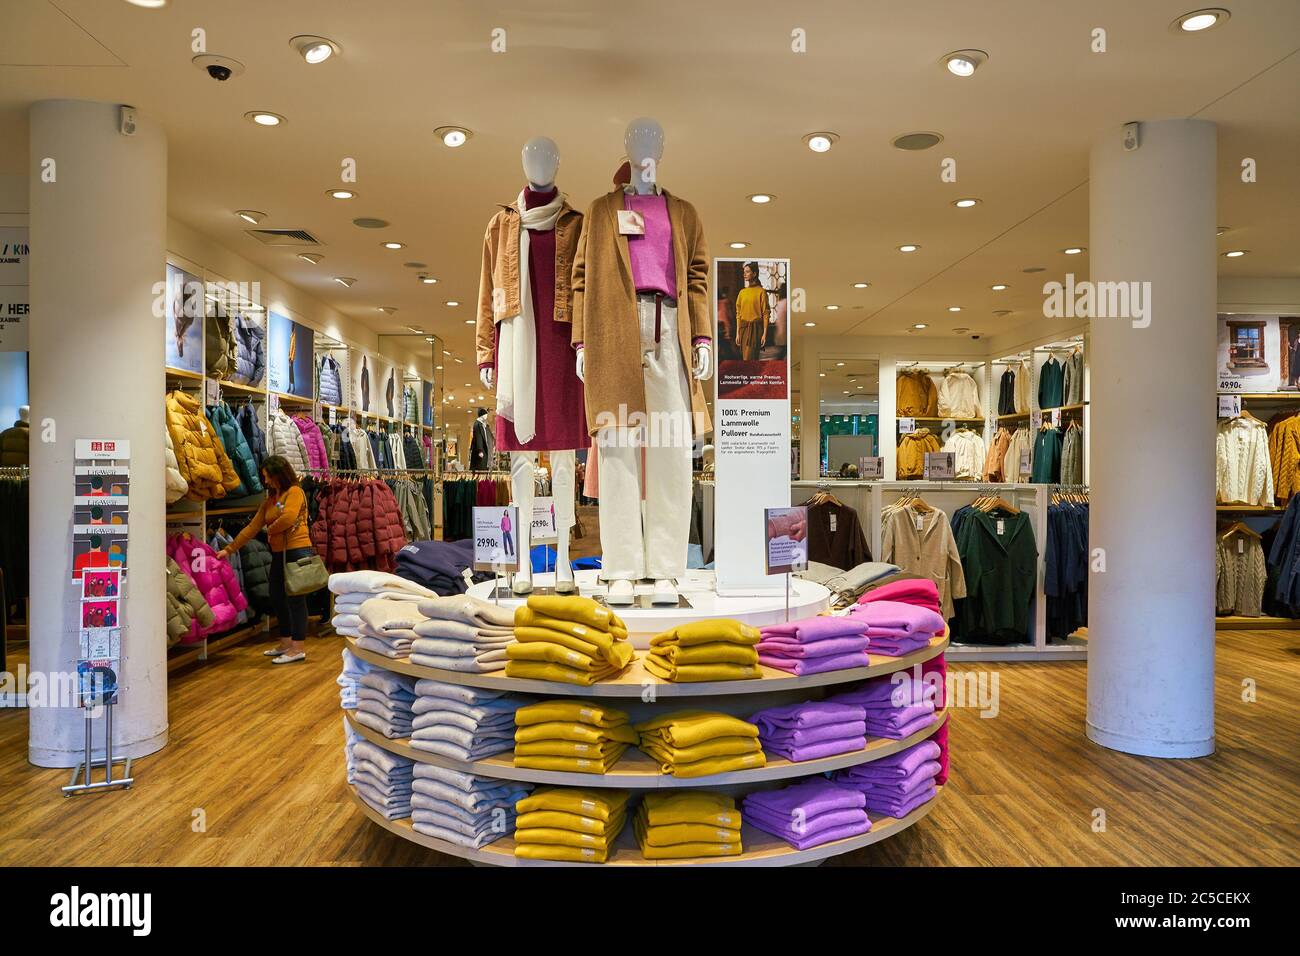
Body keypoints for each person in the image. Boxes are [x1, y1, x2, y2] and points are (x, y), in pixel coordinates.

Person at [218, 454, 314, 664]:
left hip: (297, 550)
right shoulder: (270, 500)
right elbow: (252, 527)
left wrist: (270, 530)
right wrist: (230, 549)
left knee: (296, 599)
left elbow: (288, 517)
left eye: (268, 476)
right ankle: (286, 642)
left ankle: (298, 647)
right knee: (277, 596)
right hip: (280, 552)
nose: (266, 481)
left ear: (279, 474)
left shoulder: (295, 492)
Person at [734, 262, 770, 361]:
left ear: (754, 274)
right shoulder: (742, 293)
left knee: (749, 360)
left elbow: (766, 313)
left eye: (747, 272)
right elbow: (738, 314)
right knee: (747, 361)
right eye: (744, 272)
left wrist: (764, 334)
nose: (744, 274)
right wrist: (737, 333)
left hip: (755, 330)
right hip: (743, 329)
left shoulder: (761, 292)